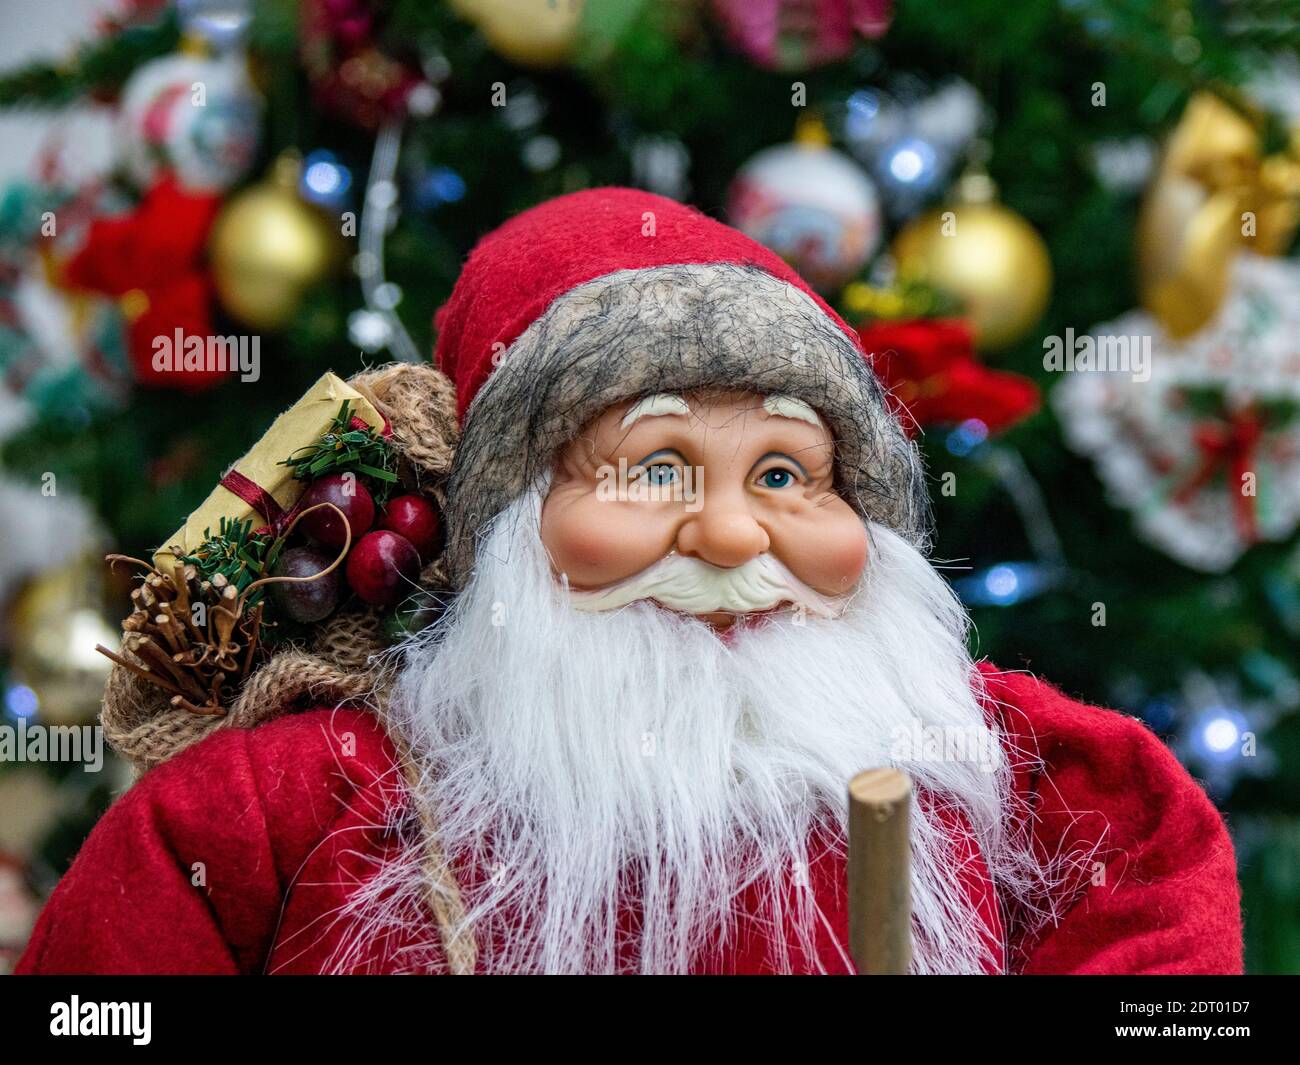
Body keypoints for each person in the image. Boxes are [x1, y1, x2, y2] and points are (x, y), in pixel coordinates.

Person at [18, 189, 1243, 975]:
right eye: (653, 468)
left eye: (784, 473)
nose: (726, 534)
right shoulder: (286, 808)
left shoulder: (1014, 776)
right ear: (508, 522)